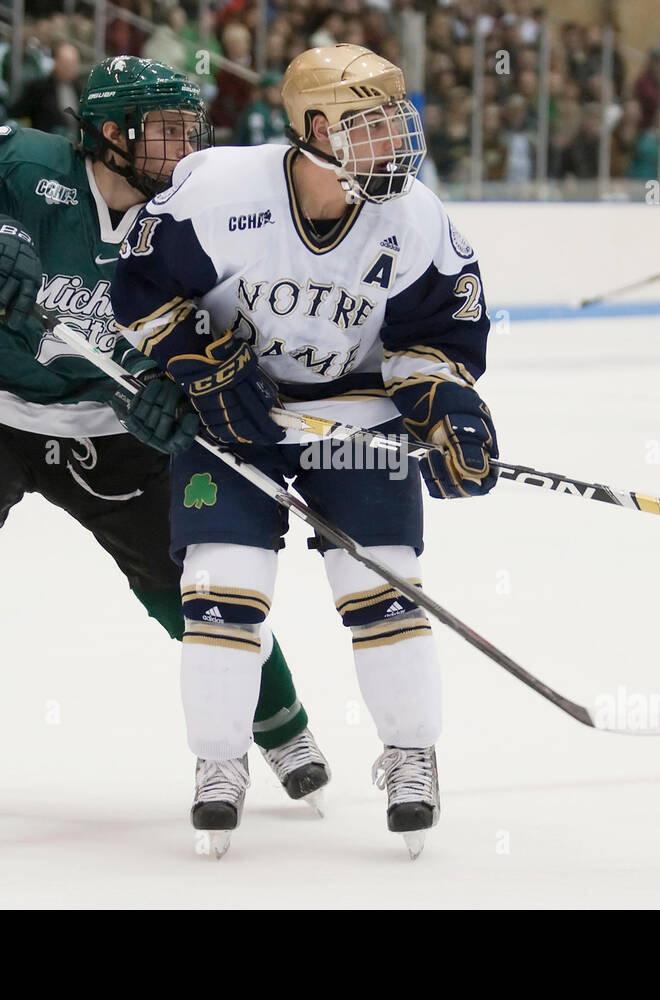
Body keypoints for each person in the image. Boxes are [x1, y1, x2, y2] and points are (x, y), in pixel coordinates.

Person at [0, 56, 330, 826]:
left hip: (113, 425)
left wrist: (178, 392)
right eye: (164, 131)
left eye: (191, 131)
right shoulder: (21, 163)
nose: (185, 149)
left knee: (190, 585)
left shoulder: (198, 213)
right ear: (110, 134)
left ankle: (283, 730)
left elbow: (226, 334)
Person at [111, 44, 497, 858]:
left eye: (396, 121)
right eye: (369, 124)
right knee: (221, 591)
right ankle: (219, 764)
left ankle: (410, 754)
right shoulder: (218, 189)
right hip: (231, 416)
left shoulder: (415, 217)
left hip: (353, 419)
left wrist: (443, 406)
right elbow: (141, 287)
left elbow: (437, 335)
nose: (394, 140)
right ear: (316, 128)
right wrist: (197, 362)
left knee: (383, 585)